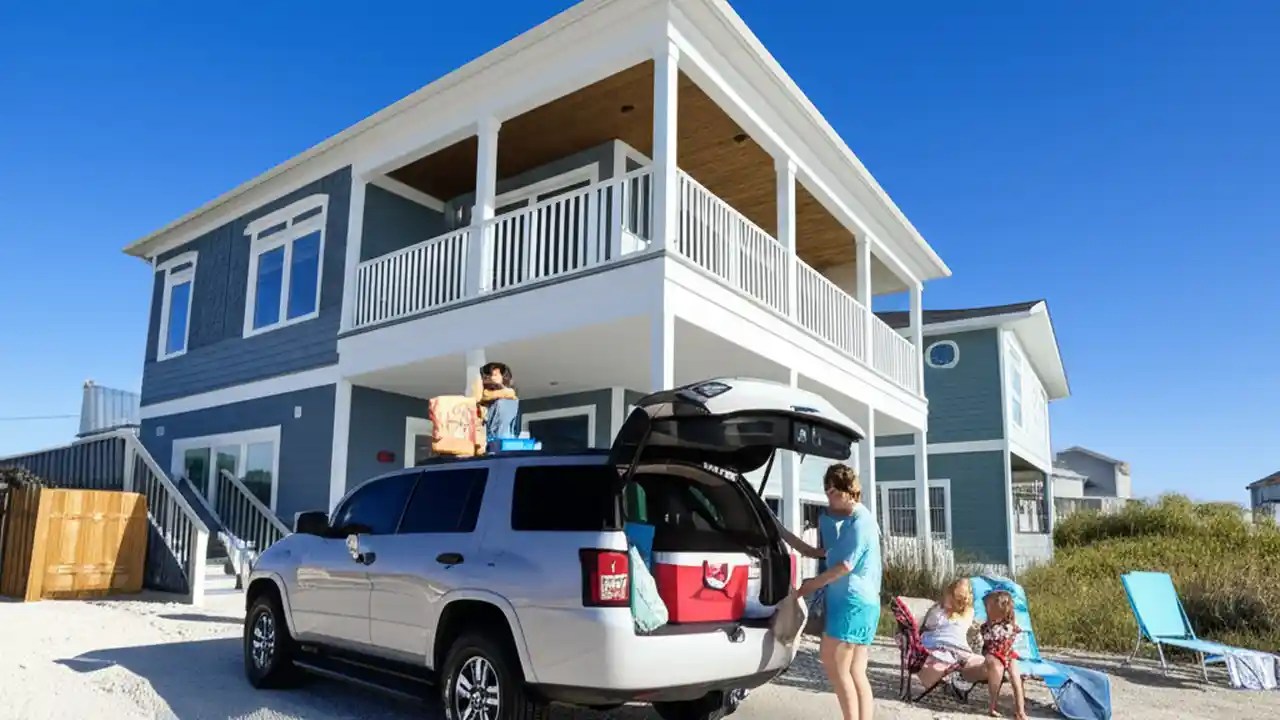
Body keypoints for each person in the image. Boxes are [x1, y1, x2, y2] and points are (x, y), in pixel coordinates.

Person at [782, 464, 881, 720]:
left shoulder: (860, 523)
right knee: (856, 672)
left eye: (830, 492)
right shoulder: (853, 521)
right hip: (862, 605)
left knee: (835, 666)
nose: (828, 498)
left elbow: (844, 566)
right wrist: (779, 531)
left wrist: (808, 587)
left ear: (845, 492)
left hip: (852, 604)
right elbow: (818, 552)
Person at [916, 578, 987, 692]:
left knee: (975, 661)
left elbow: (968, 633)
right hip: (939, 647)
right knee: (942, 661)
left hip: (960, 649)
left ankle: (960, 679)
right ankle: (952, 680)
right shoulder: (938, 611)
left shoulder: (967, 614)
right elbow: (929, 624)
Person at [980, 590, 1028, 719]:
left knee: (1016, 678)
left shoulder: (1010, 625)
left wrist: (1013, 631)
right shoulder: (986, 626)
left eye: (989, 609)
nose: (987, 612)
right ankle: (992, 706)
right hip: (994, 654)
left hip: (1008, 654)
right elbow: (986, 642)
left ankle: (1020, 710)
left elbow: (1014, 638)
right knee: (997, 675)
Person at [470, 362, 519, 443]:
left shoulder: (507, 399)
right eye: (489, 375)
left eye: (495, 375)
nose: (492, 377)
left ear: (503, 377)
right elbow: (477, 399)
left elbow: (509, 393)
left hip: (500, 440)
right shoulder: (484, 399)